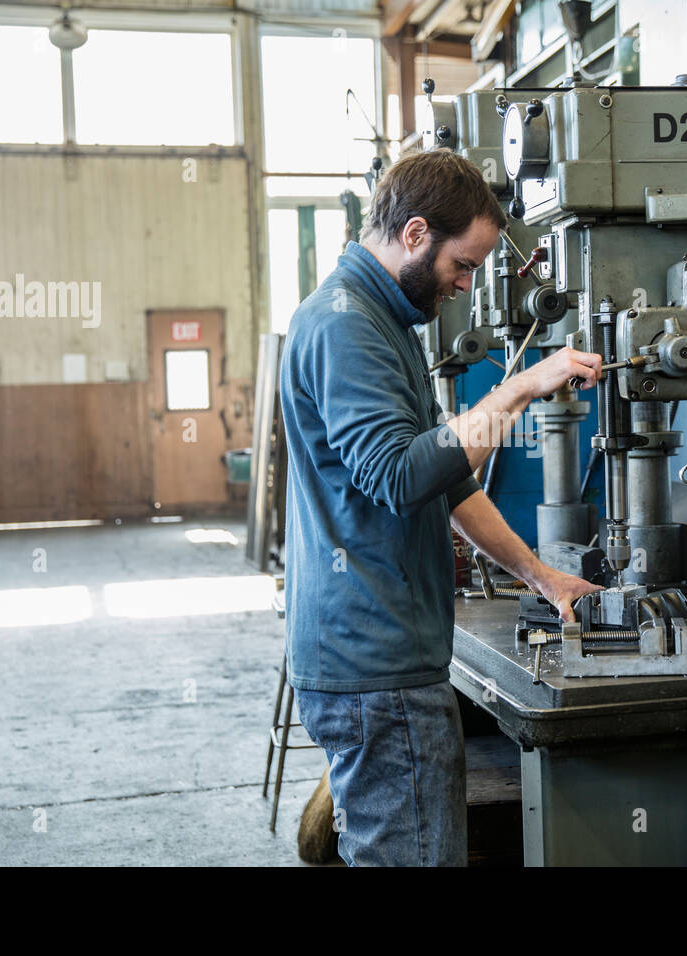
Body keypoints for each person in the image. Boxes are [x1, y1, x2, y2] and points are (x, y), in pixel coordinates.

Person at [280, 150, 604, 866]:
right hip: (377, 666)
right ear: (417, 233)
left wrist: (540, 576)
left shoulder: (380, 321)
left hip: (385, 659)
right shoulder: (345, 326)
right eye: (463, 265)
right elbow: (398, 476)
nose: (463, 286)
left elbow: (447, 482)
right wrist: (516, 390)